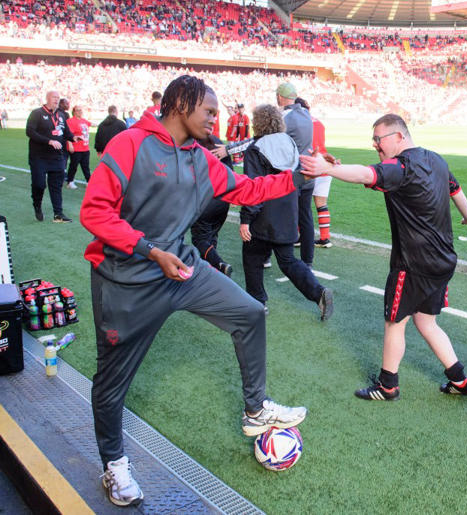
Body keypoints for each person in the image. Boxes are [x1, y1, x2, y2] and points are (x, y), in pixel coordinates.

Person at [80, 75, 308, 507]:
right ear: (181, 105)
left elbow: (246, 189)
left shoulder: (199, 158)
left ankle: (255, 409)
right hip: (126, 281)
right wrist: (149, 251)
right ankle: (114, 465)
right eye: (208, 111)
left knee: (248, 312)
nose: (214, 119)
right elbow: (94, 212)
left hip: (182, 267)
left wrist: (296, 175)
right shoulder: (129, 145)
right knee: (111, 383)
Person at [300, 113, 467, 401]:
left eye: (378, 139)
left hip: (413, 263)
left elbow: (365, 175)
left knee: (395, 323)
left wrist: (326, 170)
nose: (375, 145)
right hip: (443, 260)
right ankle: (460, 379)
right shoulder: (436, 160)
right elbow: (456, 191)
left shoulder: (401, 167)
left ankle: (387, 386)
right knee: (426, 322)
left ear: (399, 137)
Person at [240, 104, 333, 319]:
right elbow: (298, 176)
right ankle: (318, 293)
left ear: (258, 123)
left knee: (252, 257)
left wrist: (246, 219)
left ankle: (257, 302)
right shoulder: (289, 143)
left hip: (263, 214)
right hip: (288, 211)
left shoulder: (256, 149)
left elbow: (254, 188)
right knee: (288, 260)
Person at [277, 83, 315, 266]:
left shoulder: (285, 116)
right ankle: (307, 261)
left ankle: (280, 258)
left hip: (293, 175)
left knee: (284, 215)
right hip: (309, 172)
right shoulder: (306, 114)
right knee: (306, 217)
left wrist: (229, 150)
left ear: (279, 97)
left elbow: (266, 140)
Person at [26, 90, 75, 222]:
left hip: (56, 157)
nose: (56, 100)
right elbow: (30, 131)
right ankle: (37, 205)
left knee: (56, 186)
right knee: (39, 184)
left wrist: (74, 138)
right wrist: (49, 141)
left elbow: (66, 133)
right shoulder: (37, 113)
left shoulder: (61, 115)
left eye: (58, 98)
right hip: (39, 157)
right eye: (54, 97)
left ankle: (58, 214)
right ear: (47, 98)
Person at [190, 133, 235, 276]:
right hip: (223, 199)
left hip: (205, 199)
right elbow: (230, 173)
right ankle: (211, 271)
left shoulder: (192, 144)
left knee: (200, 238)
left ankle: (218, 264)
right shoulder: (218, 143)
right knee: (212, 236)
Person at [295, 97, 334, 248]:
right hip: (324, 163)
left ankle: (299, 236)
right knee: (321, 204)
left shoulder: (300, 121)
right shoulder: (319, 122)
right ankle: (325, 238)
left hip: (309, 165)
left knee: (302, 205)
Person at [65, 105, 92, 188]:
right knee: (74, 166)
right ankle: (70, 181)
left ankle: (89, 181)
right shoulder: (71, 121)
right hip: (76, 148)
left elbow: (91, 124)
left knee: (86, 166)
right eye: (77, 110)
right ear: (74, 112)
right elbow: (68, 134)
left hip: (85, 147)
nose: (80, 112)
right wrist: (70, 145)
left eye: (81, 110)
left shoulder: (84, 120)